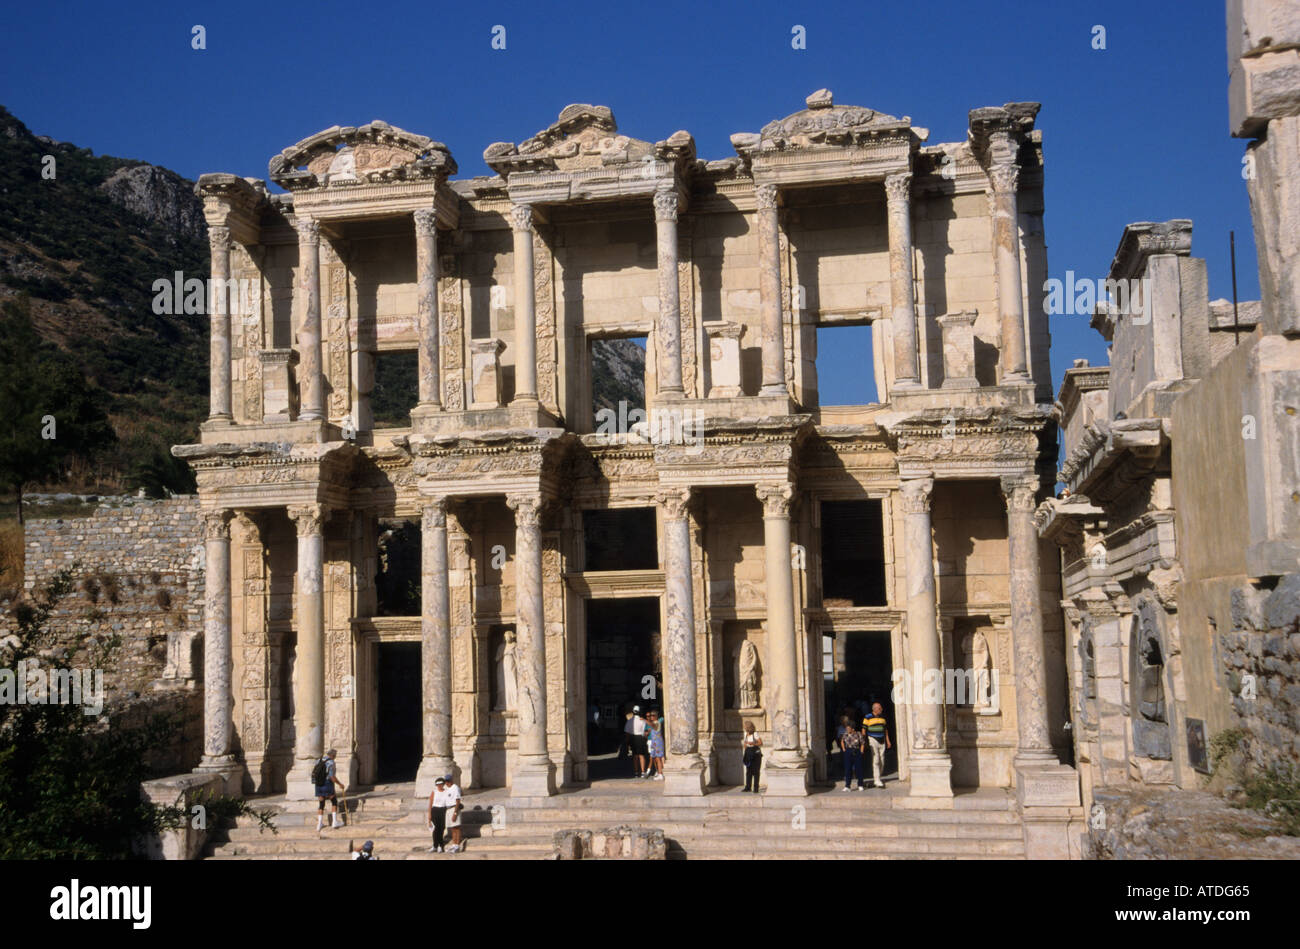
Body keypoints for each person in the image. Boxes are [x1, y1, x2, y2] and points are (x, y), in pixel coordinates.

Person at [313, 748, 345, 831]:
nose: (335, 757)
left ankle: (319, 824)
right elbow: (331, 777)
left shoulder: (318, 760)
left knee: (321, 803)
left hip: (318, 784)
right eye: (335, 756)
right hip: (327, 784)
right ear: (333, 755)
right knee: (334, 801)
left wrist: (316, 784)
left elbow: (314, 773)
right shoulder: (331, 762)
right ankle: (334, 822)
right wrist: (340, 784)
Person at [863, 702, 892, 789]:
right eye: (880, 708)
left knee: (882, 760)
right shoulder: (868, 717)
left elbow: (885, 730)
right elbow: (864, 730)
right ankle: (877, 779)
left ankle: (878, 776)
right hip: (872, 739)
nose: (881, 710)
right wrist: (865, 742)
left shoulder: (883, 718)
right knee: (876, 759)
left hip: (882, 739)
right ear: (874, 709)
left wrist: (888, 741)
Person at [426, 776, 451, 852]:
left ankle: (440, 845)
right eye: (437, 785)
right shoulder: (434, 791)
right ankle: (435, 845)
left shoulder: (447, 791)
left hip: (443, 810)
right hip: (435, 810)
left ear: (443, 784)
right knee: (435, 829)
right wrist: (429, 814)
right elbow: (430, 803)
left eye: (441, 784)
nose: (439, 786)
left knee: (442, 828)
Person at [625, 705, 649, 777]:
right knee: (641, 755)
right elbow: (645, 731)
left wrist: (627, 741)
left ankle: (636, 772)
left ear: (633, 712)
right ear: (639, 712)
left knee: (635, 756)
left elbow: (627, 732)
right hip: (640, 738)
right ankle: (642, 772)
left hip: (633, 737)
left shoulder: (629, 721)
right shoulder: (642, 720)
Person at [443, 773, 465, 853]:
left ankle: (457, 845)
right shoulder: (448, 789)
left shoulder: (455, 788)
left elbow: (458, 800)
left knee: (456, 827)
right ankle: (454, 844)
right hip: (448, 809)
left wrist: (455, 813)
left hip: (454, 808)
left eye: (448, 781)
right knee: (452, 828)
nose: (447, 783)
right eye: (446, 781)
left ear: (451, 781)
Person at [840, 720, 865, 790]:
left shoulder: (858, 734)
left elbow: (862, 743)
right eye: (846, 728)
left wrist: (861, 751)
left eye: (848, 728)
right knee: (848, 769)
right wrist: (844, 749)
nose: (847, 730)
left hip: (856, 751)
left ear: (852, 728)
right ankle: (847, 786)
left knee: (858, 768)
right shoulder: (845, 734)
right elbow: (842, 741)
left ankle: (860, 784)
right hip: (848, 751)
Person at [741, 720, 762, 792]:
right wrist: (745, 746)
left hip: (755, 754)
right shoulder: (745, 734)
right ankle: (748, 787)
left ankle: (756, 788)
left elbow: (760, 743)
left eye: (745, 727)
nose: (744, 728)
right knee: (748, 771)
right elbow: (744, 744)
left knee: (756, 771)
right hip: (748, 753)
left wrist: (752, 743)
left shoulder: (755, 734)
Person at [645, 709, 665, 780]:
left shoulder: (657, 722)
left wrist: (644, 720)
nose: (651, 717)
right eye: (651, 716)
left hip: (658, 743)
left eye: (653, 715)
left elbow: (652, 724)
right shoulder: (655, 723)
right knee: (657, 758)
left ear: (656, 716)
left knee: (658, 758)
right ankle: (660, 772)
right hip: (655, 743)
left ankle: (660, 774)